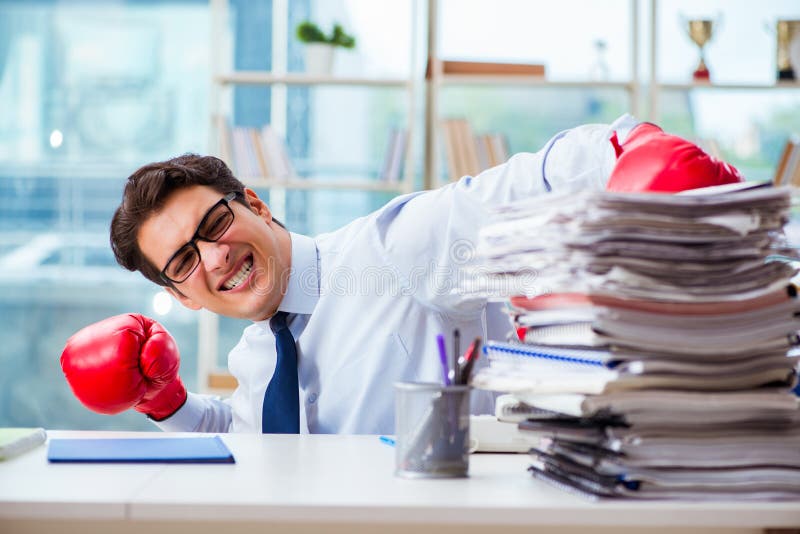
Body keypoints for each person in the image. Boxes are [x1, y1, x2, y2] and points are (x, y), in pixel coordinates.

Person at [59, 114, 743, 434]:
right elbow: (245, 441)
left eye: (212, 224)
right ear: (182, 295)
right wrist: (164, 403)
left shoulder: (396, 250)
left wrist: (635, 154)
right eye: (183, 262)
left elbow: (537, 179)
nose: (213, 258)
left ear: (257, 206)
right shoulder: (260, 355)